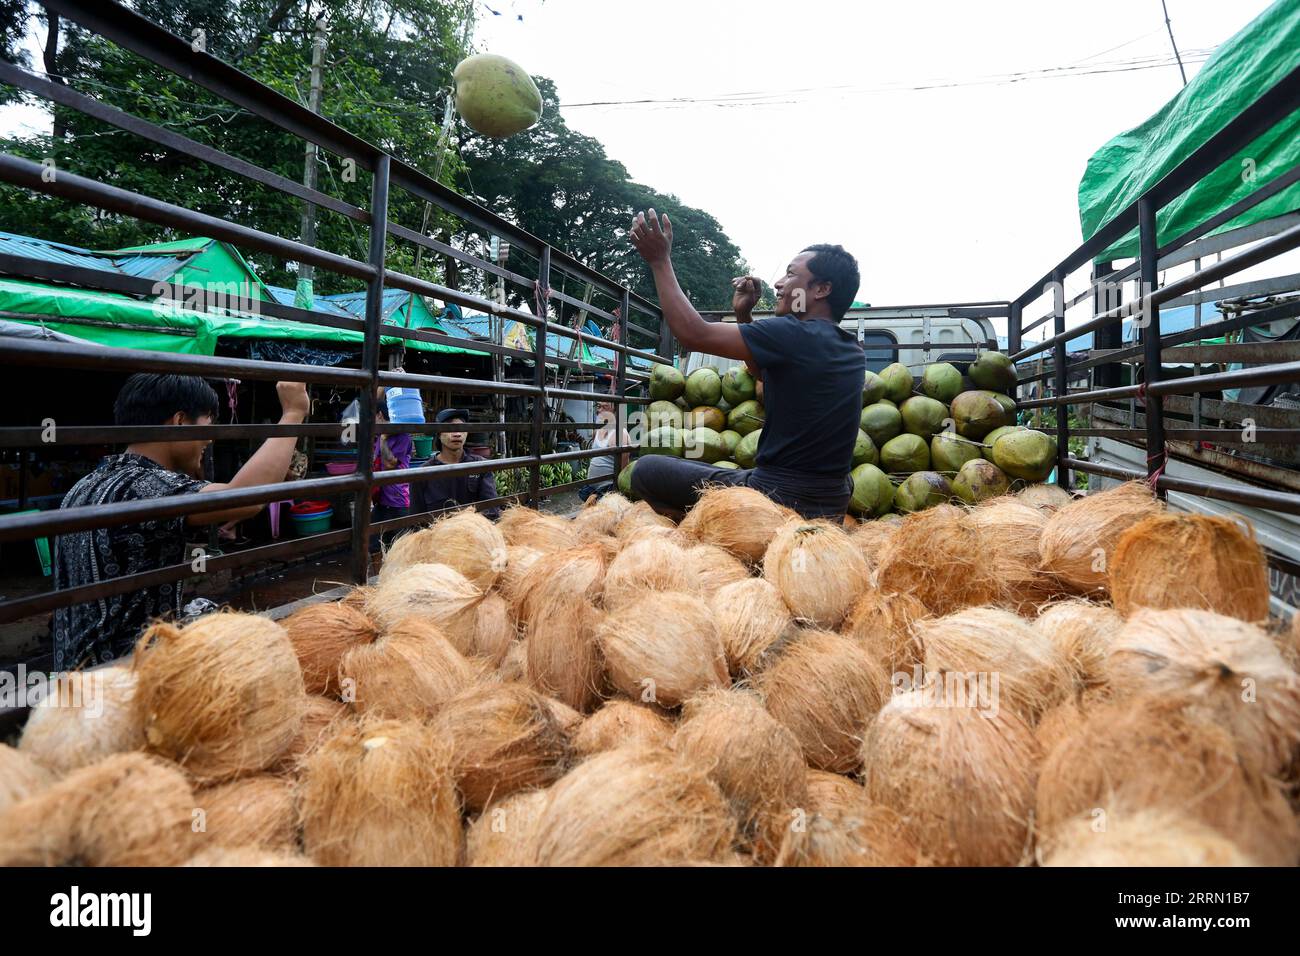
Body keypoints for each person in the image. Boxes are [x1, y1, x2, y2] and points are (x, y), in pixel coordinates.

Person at [52, 373, 310, 669]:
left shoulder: (84, 485)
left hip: (73, 677)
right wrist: (293, 413)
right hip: (123, 682)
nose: (210, 439)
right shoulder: (146, 487)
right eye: (208, 425)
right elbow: (245, 498)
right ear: (179, 422)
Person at [627, 208, 865, 521]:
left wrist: (659, 260)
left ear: (821, 289)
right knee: (710, 470)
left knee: (646, 470)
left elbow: (693, 333)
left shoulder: (794, 333)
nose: (779, 284)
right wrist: (743, 316)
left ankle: (704, 529)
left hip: (779, 496)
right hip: (829, 499)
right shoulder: (848, 347)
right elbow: (763, 374)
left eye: (791, 274)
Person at [410, 407, 501, 520]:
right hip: (437, 536)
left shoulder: (480, 466)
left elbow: (492, 511)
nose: (457, 434)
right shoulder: (422, 473)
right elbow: (416, 521)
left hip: (474, 534)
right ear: (439, 434)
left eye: (461, 428)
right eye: (450, 428)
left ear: (467, 433)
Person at [371, 393, 412, 545]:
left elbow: (390, 464)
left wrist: (383, 438)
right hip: (381, 499)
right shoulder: (378, 436)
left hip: (398, 500)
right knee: (374, 544)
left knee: (399, 546)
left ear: (380, 415)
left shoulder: (403, 436)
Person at [578, 397, 631, 502]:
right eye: (599, 406)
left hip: (608, 490)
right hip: (591, 488)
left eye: (605, 407)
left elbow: (624, 468)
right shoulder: (597, 431)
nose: (600, 410)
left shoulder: (620, 434)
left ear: (615, 411)